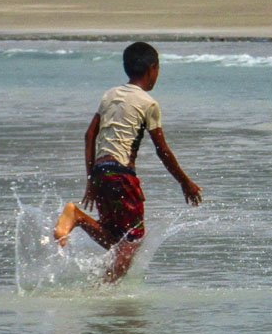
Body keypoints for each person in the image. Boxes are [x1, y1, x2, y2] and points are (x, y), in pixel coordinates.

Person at [53, 42, 202, 281]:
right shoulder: (148, 103)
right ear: (153, 69)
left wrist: (91, 179)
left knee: (117, 239)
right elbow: (161, 150)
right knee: (132, 243)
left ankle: (79, 221)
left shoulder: (110, 95)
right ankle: (104, 292)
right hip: (122, 175)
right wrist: (185, 182)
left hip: (101, 171)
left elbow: (89, 135)